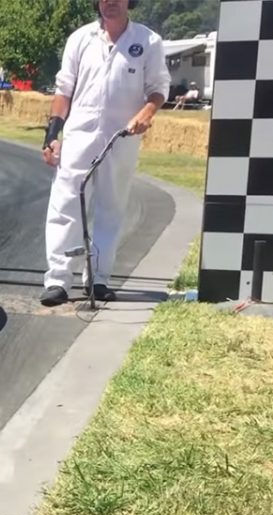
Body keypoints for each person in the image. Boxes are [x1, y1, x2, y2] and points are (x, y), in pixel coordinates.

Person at [39, 0, 170, 306]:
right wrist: (51, 135)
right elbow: (63, 90)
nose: (109, 2)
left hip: (121, 136)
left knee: (111, 207)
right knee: (65, 204)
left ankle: (98, 279)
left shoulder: (148, 41)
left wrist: (147, 113)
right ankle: (58, 279)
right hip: (78, 136)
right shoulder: (80, 38)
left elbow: (159, 87)